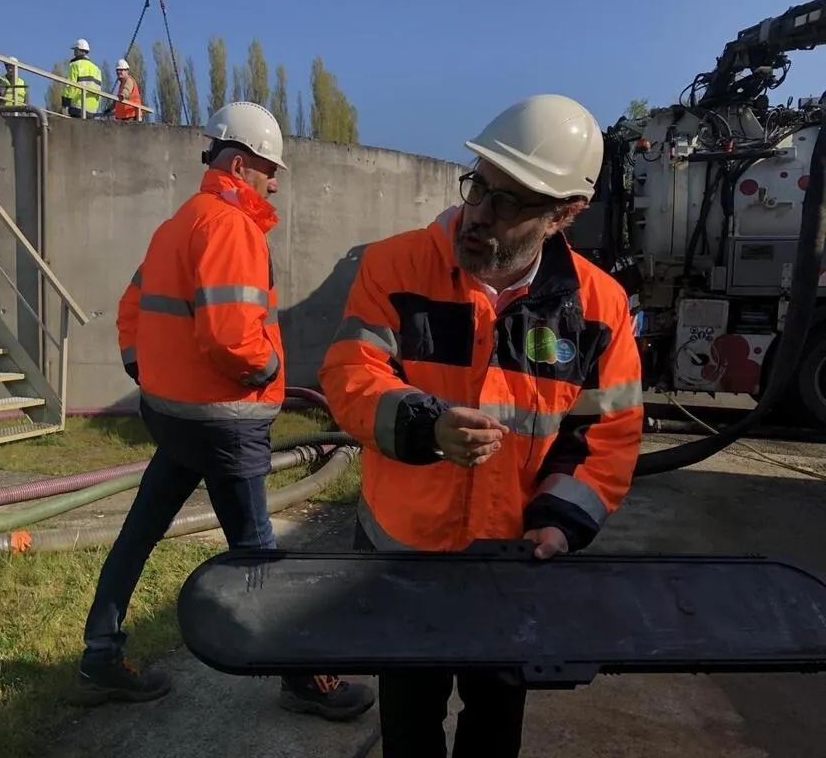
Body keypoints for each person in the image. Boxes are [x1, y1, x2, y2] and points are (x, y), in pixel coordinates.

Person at [318, 94, 645, 757]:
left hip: (512, 560)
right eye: (478, 186)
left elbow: (606, 435)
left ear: (566, 215)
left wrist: (558, 520)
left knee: (495, 727)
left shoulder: (600, 309)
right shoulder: (394, 267)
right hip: (404, 549)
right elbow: (351, 376)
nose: (478, 214)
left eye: (509, 202)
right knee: (408, 728)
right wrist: (423, 423)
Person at [77, 101, 376, 722]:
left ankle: (99, 653)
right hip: (225, 421)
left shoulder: (177, 224)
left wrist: (146, 372)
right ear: (240, 163)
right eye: (270, 170)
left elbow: (131, 311)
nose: (275, 182)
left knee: (139, 533)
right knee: (259, 552)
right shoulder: (233, 227)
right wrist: (268, 369)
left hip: (173, 416)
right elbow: (231, 335)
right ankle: (302, 680)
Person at [62, 39, 103, 119]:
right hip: (92, 110)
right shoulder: (97, 69)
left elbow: (70, 85)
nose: (74, 53)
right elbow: (99, 91)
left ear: (78, 50)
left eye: (75, 50)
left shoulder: (75, 65)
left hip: (78, 107)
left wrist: (65, 102)